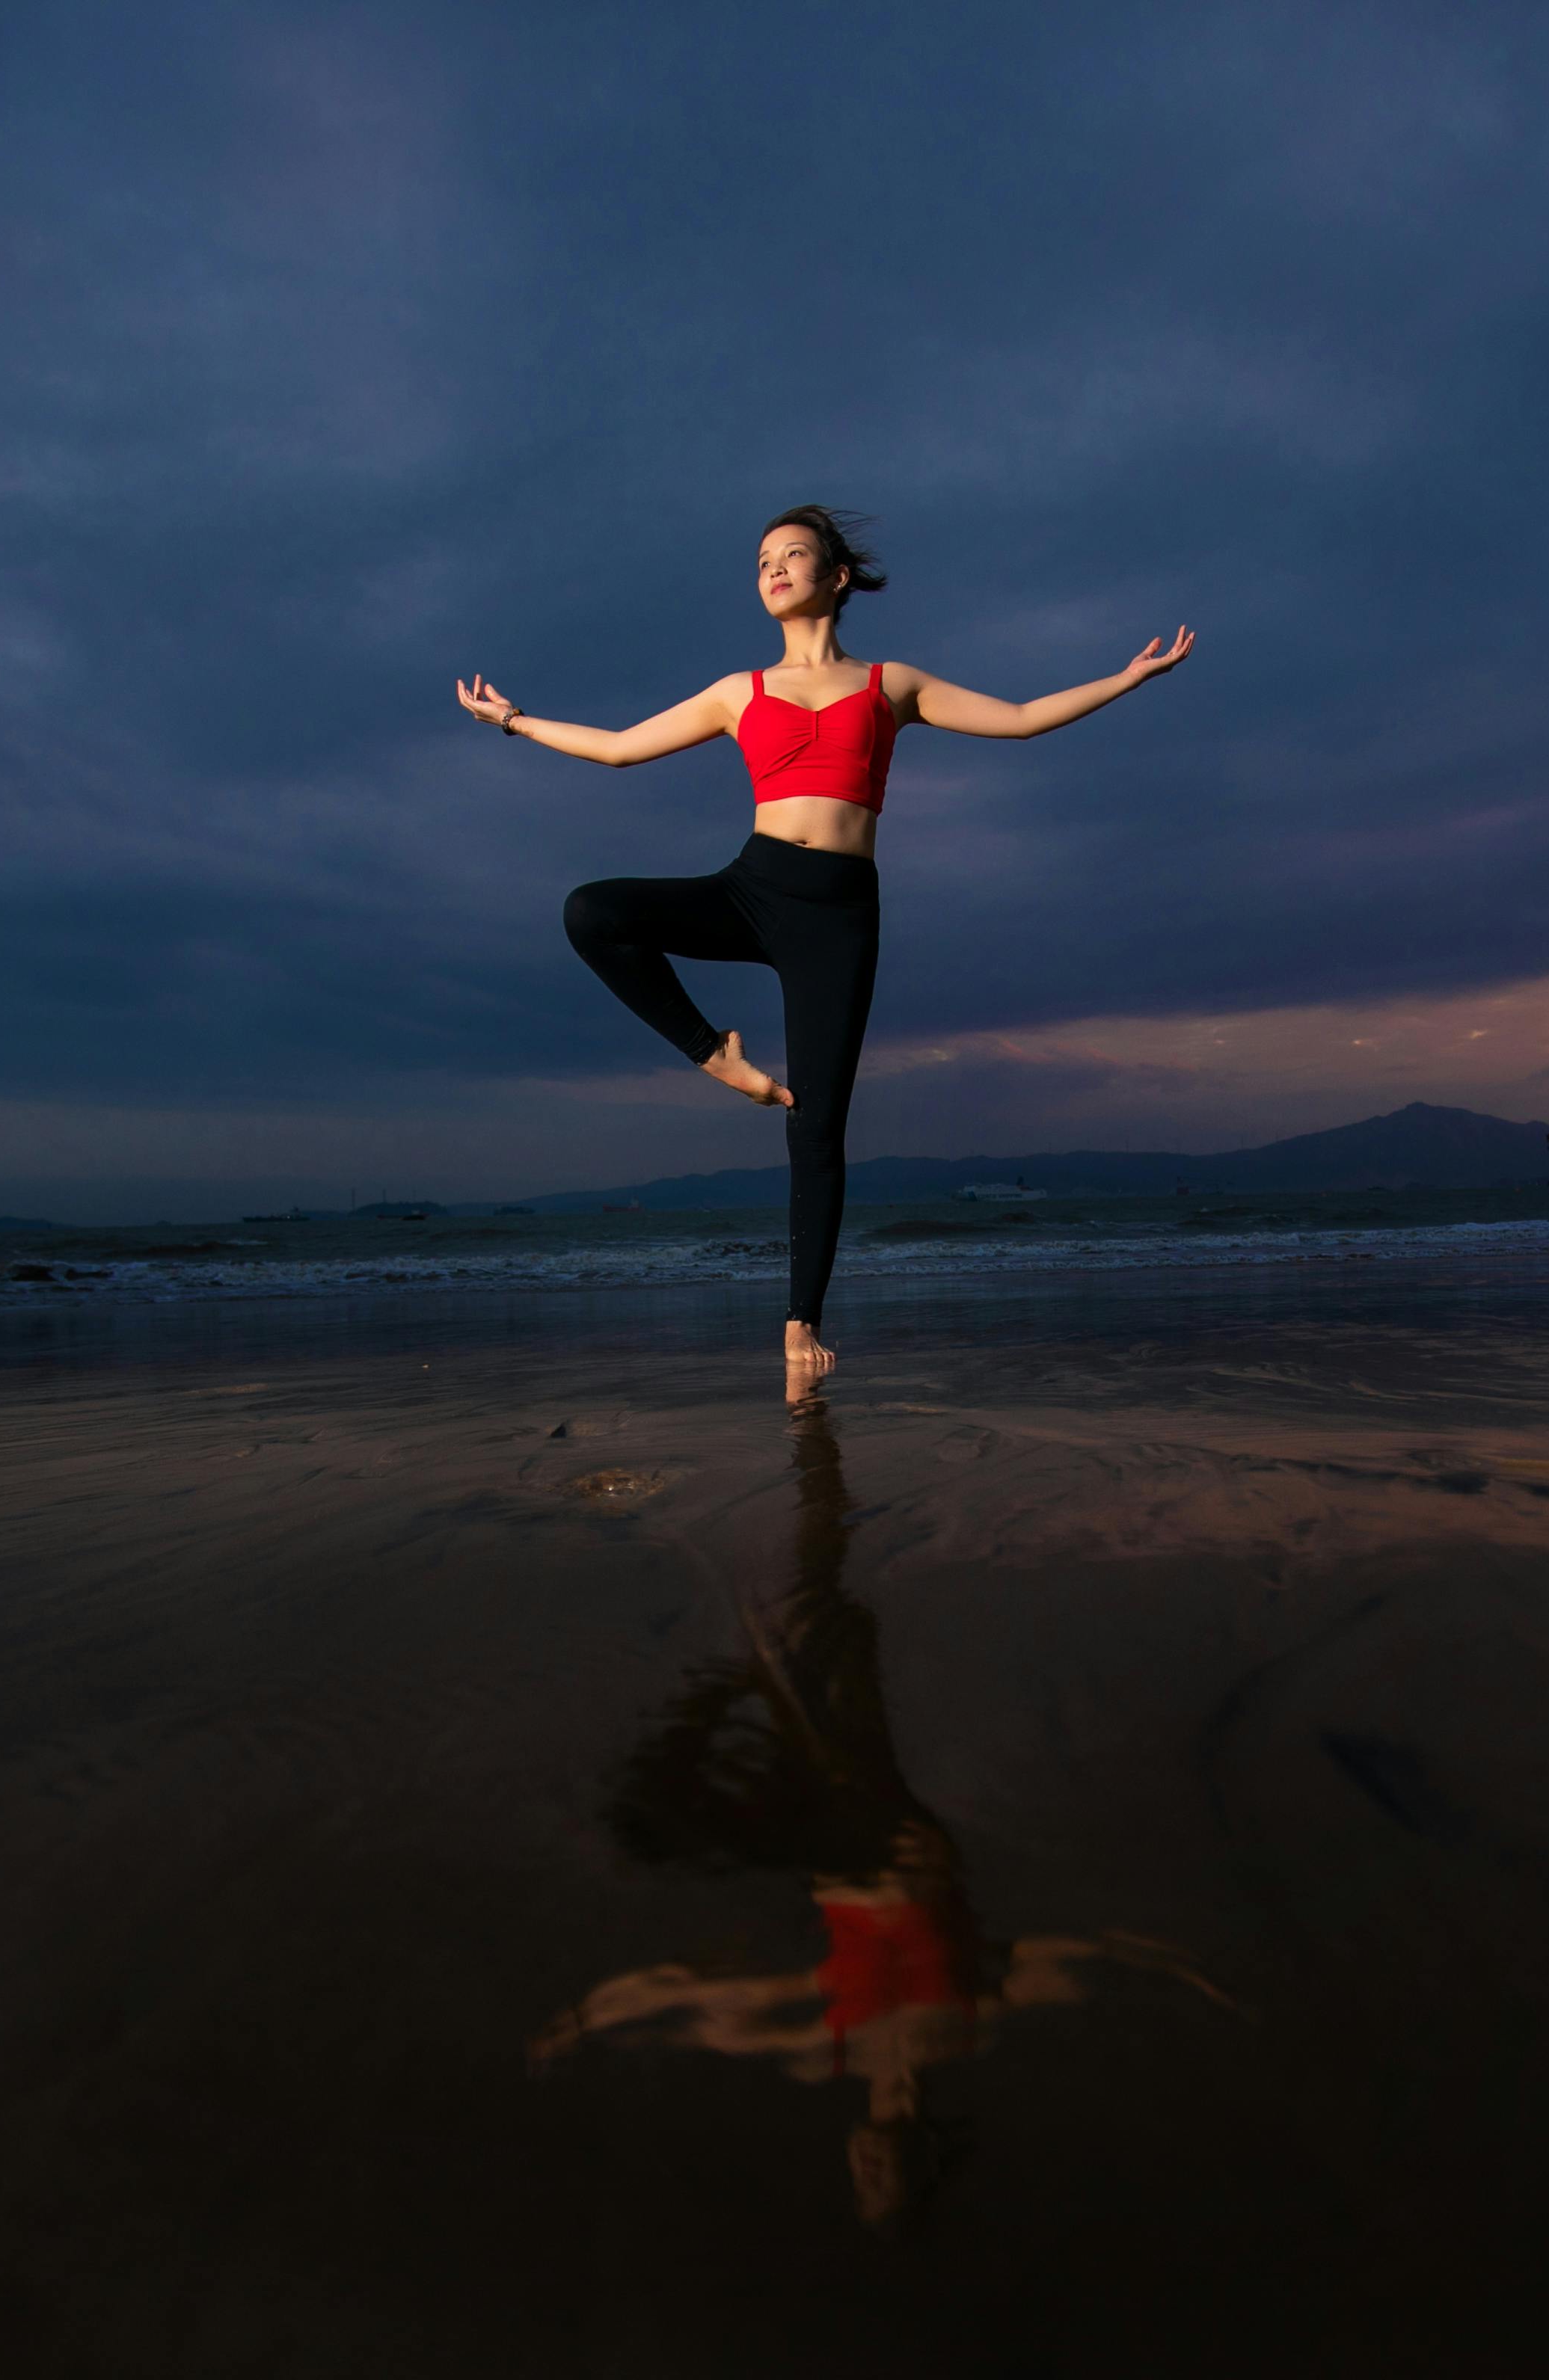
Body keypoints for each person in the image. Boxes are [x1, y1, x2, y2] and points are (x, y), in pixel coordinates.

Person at [457, 507, 1192, 1397]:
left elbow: (1026, 718)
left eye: (792, 555)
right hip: (752, 887)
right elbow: (619, 750)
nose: (773, 569)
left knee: (818, 1126)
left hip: (838, 916)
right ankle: (712, 1053)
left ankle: (801, 1323)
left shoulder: (893, 684)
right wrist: (515, 722)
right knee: (592, 912)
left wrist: (1127, 678)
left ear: (836, 576)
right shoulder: (739, 693)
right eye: (762, 559)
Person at [529, 1400, 1231, 2229]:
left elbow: (717, 2004)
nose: (866, 2163)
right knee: (809, 1671)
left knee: (789, 1685)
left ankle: (768, 1584)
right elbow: (1078, 1960)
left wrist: (595, 2012)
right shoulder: (970, 2026)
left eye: (860, 2176)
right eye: (881, 2179)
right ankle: (791, 1575)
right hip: (889, 1821)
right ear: (923, 2155)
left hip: (837, 1841)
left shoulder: (826, 2051)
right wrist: (1186, 1973)